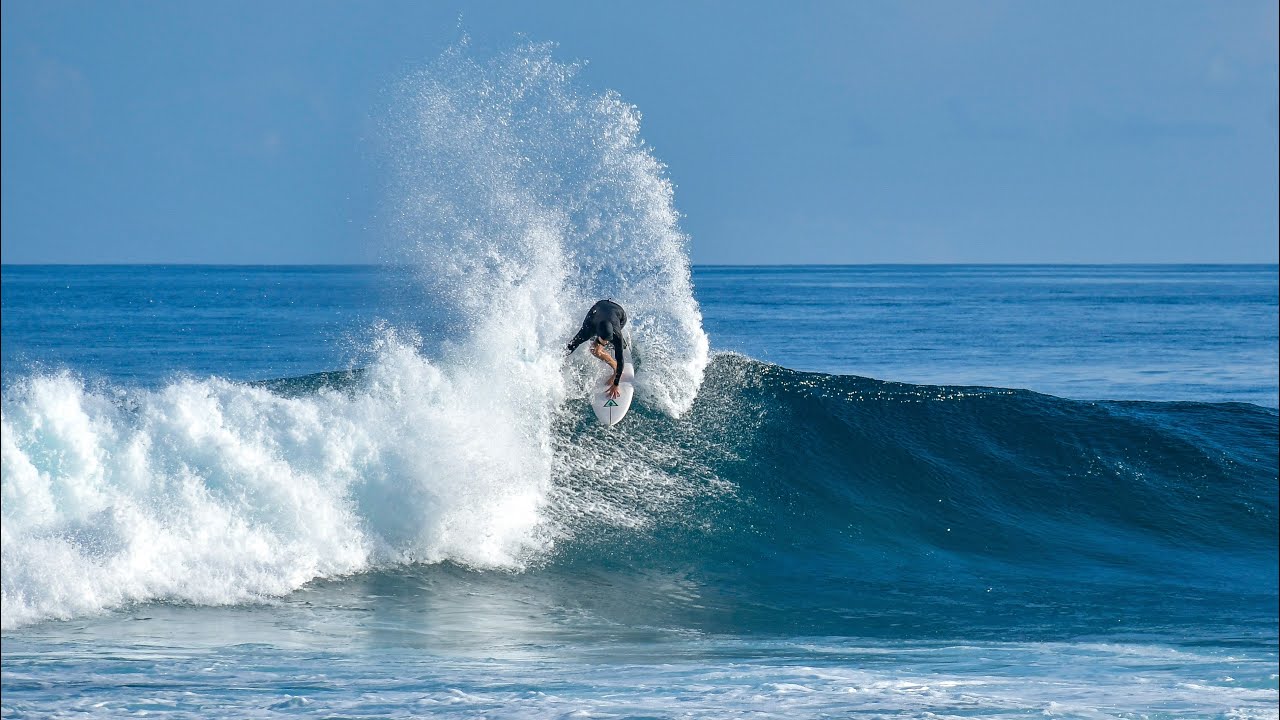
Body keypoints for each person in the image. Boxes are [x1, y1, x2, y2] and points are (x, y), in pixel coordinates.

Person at [566, 299, 628, 398]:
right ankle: (603, 344)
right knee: (594, 350)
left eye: (608, 340)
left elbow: (620, 359)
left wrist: (616, 384)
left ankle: (616, 367)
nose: (606, 342)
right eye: (605, 340)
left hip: (619, 313)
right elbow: (570, 346)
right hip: (597, 309)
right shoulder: (587, 329)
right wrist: (561, 359)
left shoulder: (616, 333)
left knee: (617, 345)